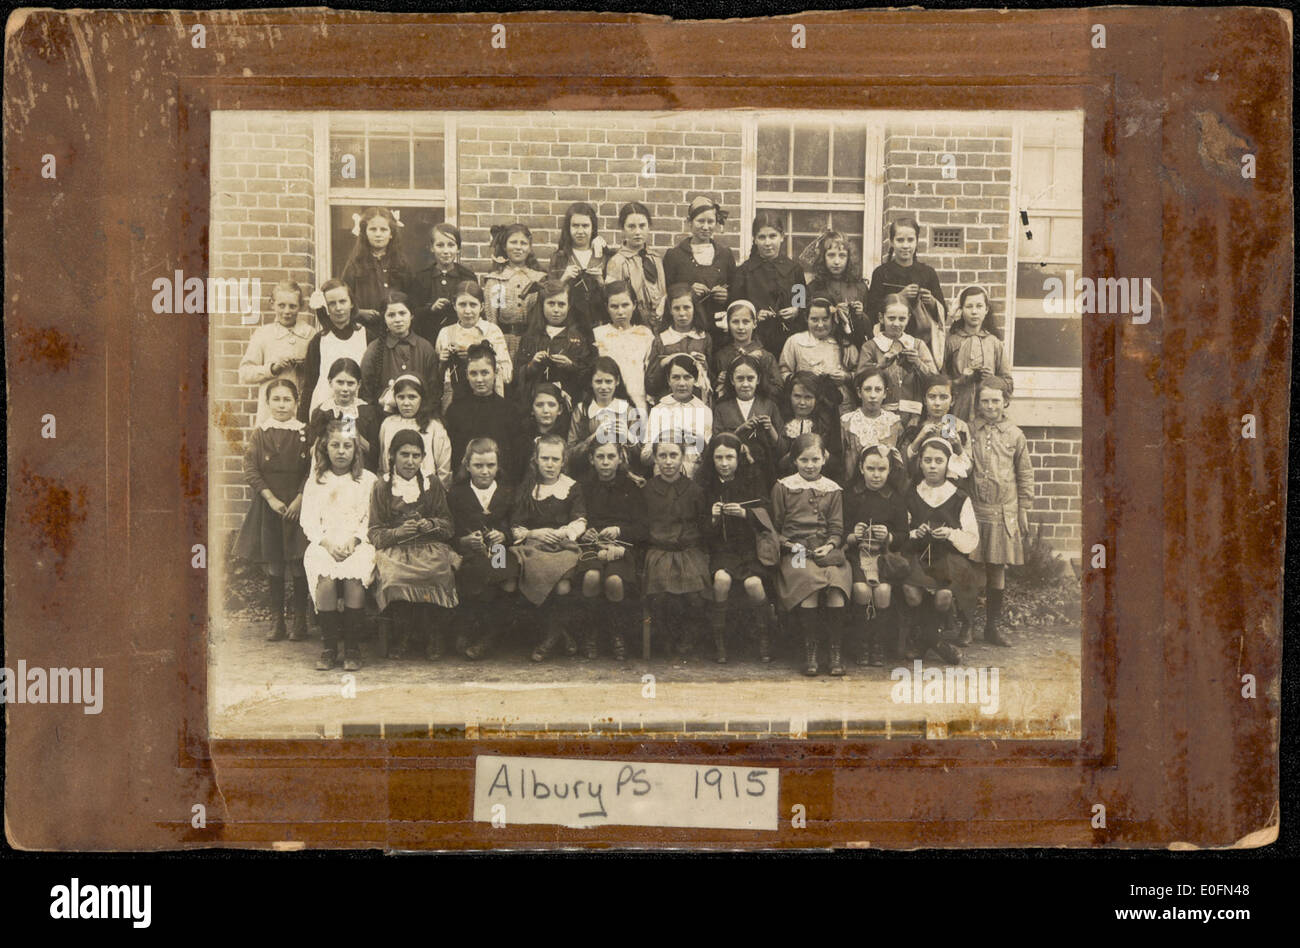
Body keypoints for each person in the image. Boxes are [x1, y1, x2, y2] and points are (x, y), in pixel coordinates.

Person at [368, 429, 459, 660]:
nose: (410, 461)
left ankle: (433, 635)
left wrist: (431, 524)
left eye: (416, 455)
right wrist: (397, 533)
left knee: (438, 573)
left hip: (429, 546)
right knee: (396, 577)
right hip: (395, 549)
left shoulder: (432, 484)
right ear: (392, 456)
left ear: (423, 457)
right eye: (404, 455)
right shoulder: (382, 486)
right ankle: (403, 635)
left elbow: (448, 525)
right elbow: (375, 532)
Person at [233, 378, 311, 642]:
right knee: (275, 564)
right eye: (276, 399)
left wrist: (301, 498)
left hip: (299, 506)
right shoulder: (261, 433)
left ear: (296, 403)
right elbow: (251, 470)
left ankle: (300, 620)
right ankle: (278, 620)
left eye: (287, 399)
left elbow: (314, 469)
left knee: (299, 562)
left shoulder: (304, 432)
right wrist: (270, 498)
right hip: (271, 506)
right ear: (267, 403)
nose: (281, 405)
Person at [300, 418, 378, 672]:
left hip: (358, 541)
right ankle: (329, 647)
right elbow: (308, 520)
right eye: (335, 445)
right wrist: (327, 543)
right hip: (324, 541)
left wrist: (354, 541)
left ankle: (352, 648)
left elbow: (370, 518)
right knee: (325, 576)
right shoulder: (317, 480)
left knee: (354, 578)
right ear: (325, 447)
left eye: (347, 446)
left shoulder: (367, 480)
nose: (341, 451)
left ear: (356, 449)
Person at [771, 432, 852, 676]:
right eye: (804, 460)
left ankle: (835, 652)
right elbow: (774, 528)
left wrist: (830, 544)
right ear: (794, 460)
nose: (810, 465)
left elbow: (837, 527)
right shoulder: (783, 486)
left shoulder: (833, 489)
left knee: (836, 584)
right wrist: (788, 544)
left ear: (824, 459)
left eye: (815, 460)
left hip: (826, 549)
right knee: (809, 581)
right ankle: (811, 652)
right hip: (794, 550)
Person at [900, 437, 982, 666]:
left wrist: (950, 534)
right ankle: (936, 642)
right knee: (911, 590)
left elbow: (972, 540)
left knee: (943, 595)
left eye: (939, 460)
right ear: (920, 464)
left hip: (949, 558)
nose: (933, 466)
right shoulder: (912, 494)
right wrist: (915, 532)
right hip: (918, 556)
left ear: (948, 463)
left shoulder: (959, 497)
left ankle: (921, 641)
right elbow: (900, 532)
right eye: (927, 460)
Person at [968, 377, 1034, 647]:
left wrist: (1024, 509)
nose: (990, 406)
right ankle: (967, 626)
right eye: (985, 400)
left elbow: (1024, 473)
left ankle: (992, 627)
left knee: (996, 569)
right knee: (971, 569)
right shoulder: (970, 430)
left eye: (996, 400)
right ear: (978, 403)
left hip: (1002, 509)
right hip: (974, 509)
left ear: (1005, 401)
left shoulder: (1015, 434)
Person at [509, 434, 588, 662]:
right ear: (536, 459)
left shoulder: (571, 487)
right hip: (534, 548)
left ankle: (552, 637)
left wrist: (562, 533)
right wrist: (535, 533)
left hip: (563, 547)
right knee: (536, 577)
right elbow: (516, 526)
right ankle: (558, 636)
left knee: (563, 587)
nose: (550, 464)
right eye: (545, 459)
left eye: (555, 459)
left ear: (563, 461)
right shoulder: (528, 488)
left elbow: (580, 520)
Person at [697, 433, 774, 663]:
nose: (724, 463)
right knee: (721, 579)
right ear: (711, 459)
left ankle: (764, 635)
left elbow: (767, 517)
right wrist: (711, 518)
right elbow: (700, 531)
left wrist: (745, 514)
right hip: (721, 550)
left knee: (754, 583)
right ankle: (719, 639)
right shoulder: (705, 487)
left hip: (750, 549)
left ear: (739, 458)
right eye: (718, 457)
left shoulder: (752, 481)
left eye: (729, 457)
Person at [447, 439, 517, 660]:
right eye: (478, 466)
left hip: (498, 550)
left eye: (490, 466)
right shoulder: (456, 493)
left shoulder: (507, 492)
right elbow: (451, 529)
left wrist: (504, 535)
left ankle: (490, 636)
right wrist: (464, 540)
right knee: (473, 575)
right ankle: (472, 631)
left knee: (502, 575)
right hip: (470, 551)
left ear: (498, 466)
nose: (485, 472)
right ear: (467, 466)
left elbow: (515, 522)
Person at [641, 438, 711, 655]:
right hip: (659, 551)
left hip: (689, 551)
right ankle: (666, 637)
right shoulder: (647, 490)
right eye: (662, 456)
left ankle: (689, 636)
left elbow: (703, 524)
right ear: (655, 458)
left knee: (695, 596)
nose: (668, 462)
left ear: (682, 458)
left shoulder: (694, 490)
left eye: (674, 455)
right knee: (661, 594)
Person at [577, 440, 646, 660]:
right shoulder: (583, 486)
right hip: (591, 545)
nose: (605, 462)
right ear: (591, 459)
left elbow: (642, 527)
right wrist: (583, 531)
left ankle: (617, 634)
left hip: (622, 546)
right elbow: (575, 516)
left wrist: (619, 530)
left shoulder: (632, 487)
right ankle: (591, 633)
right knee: (591, 577)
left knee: (614, 580)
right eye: (600, 457)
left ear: (620, 459)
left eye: (610, 457)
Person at [843, 443, 909, 666]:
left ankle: (878, 644)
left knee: (882, 590)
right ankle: (861, 643)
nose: (876, 475)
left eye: (882, 469)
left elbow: (904, 534)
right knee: (861, 590)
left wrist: (888, 536)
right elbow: (839, 530)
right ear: (861, 468)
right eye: (871, 469)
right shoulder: (851, 495)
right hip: (856, 556)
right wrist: (854, 535)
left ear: (889, 470)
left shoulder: (895, 497)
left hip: (884, 558)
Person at [865, 216, 947, 364]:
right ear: (891, 242)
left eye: (910, 240)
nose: (905, 245)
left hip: (921, 342)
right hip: (888, 342)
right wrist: (899, 297)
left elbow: (943, 314)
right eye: (900, 240)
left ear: (917, 241)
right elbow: (870, 311)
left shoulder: (927, 273)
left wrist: (932, 302)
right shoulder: (882, 273)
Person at [238, 280, 315, 428]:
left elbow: (319, 372)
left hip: (301, 410)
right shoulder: (263, 334)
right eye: (281, 305)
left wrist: (305, 366)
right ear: (272, 304)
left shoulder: (310, 334)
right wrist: (272, 368)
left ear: (301, 307)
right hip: (270, 414)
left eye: (293, 306)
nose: (287, 311)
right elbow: (245, 373)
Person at [856, 293, 938, 430]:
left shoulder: (917, 345)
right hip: (880, 415)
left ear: (909, 319)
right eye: (891, 318)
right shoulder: (871, 346)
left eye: (902, 319)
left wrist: (917, 362)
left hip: (914, 417)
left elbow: (935, 380)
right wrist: (880, 366)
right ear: (881, 318)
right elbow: (859, 381)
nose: (896, 324)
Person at [444, 342, 523, 486]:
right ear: (466, 375)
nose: (479, 379)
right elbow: (452, 455)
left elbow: (516, 457)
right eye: (473, 373)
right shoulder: (455, 410)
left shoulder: (509, 410)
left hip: (502, 486)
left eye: (485, 373)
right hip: (465, 486)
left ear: (495, 373)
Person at [662, 194, 737, 345]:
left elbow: (735, 288)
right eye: (700, 221)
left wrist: (726, 295)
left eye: (710, 221)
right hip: (687, 329)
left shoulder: (725, 254)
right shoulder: (674, 256)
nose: (706, 227)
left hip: (718, 330)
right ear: (689, 222)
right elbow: (667, 292)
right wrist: (688, 291)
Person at [731, 212, 805, 358]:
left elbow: (801, 303)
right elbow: (735, 306)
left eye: (773, 236)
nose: (767, 243)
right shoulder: (744, 272)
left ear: (782, 237)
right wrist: (755, 314)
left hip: (788, 339)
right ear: (755, 239)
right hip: (755, 340)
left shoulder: (794, 269)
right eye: (762, 237)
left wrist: (796, 310)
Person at [300, 279, 374, 420]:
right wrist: (303, 421)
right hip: (324, 410)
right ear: (326, 307)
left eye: (342, 301)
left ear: (351, 303)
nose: (338, 308)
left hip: (356, 410)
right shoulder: (319, 340)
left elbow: (371, 380)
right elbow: (309, 383)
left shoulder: (366, 336)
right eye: (332, 304)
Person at [513, 278, 595, 405]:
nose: (556, 310)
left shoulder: (578, 338)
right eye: (551, 304)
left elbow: (588, 375)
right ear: (542, 305)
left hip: (568, 403)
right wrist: (532, 365)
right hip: (535, 404)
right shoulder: (531, 337)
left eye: (561, 304)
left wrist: (571, 366)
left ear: (569, 307)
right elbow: (517, 374)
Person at [433, 280, 512, 407]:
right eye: (462, 305)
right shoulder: (445, 333)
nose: (467, 311)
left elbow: (508, 376)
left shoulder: (492, 331)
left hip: (487, 400)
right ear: (454, 306)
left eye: (473, 305)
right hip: (455, 400)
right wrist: (442, 362)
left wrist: (479, 357)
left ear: (481, 306)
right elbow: (437, 378)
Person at [712, 353, 785, 489]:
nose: (745, 384)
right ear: (732, 380)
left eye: (750, 378)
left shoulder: (769, 405)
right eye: (740, 379)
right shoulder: (722, 407)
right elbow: (715, 444)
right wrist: (740, 430)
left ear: (758, 380)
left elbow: (782, 449)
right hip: (731, 473)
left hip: (764, 473)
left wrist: (770, 429)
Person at [359, 290, 439, 411]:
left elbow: (433, 391)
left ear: (411, 315)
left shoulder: (425, 348)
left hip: (420, 416)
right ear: (384, 318)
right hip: (383, 418)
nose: (397, 319)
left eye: (402, 313)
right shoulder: (374, 349)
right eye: (391, 315)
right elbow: (366, 391)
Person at [944, 285, 1012, 425]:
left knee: (983, 443)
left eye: (979, 306)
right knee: (952, 441)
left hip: (987, 411)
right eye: (969, 306)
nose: (974, 311)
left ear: (986, 310)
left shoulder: (994, 343)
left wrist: (993, 380)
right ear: (961, 310)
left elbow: (1008, 383)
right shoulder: (951, 341)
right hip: (956, 410)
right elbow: (940, 382)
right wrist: (961, 380)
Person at [568, 357, 644, 480]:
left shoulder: (627, 410)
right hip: (588, 475)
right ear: (591, 382)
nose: (603, 387)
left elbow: (642, 455)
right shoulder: (582, 410)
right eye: (598, 381)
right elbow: (570, 453)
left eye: (608, 381)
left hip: (624, 475)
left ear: (617, 381)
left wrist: (629, 437)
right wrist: (592, 438)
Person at [592, 280, 656, 421]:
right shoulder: (598, 334)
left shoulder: (645, 334)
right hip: (607, 400)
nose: (620, 311)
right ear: (606, 307)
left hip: (638, 401)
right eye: (614, 306)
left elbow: (649, 370)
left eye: (625, 305)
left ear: (634, 305)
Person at [341, 206, 411, 336]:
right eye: (373, 229)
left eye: (383, 229)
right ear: (365, 233)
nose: (378, 234)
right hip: (365, 330)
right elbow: (344, 297)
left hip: (394, 331)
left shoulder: (401, 264)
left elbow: (411, 299)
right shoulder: (355, 264)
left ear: (391, 234)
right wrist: (358, 312)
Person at [640, 354, 713, 479]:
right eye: (676, 377)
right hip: (663, 478)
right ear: (668, 380)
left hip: (694, 479)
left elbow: (709, 455)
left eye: (687, 377)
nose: (682, 383)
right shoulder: (658, 410)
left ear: (695, 380)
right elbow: (645, 457)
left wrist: (700, 442)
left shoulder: (704, 411)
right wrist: (663, 443)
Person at [481, 222, 547, 360]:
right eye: (513, 242)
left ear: (529, 248)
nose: (518, 247)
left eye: (523, 243)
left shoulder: (540, 278)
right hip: (503, 343)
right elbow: (491, 319)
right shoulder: (495, 279)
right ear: (505, 247)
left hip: (531, 344)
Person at [377, 375, 453, 489]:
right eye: (401, 397)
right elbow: (383, 460)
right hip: (394, 489)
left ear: (421, 398)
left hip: (426, 490)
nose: (406, 403)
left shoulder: (434, 426)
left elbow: (444, 466)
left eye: (412, 397)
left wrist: (439, 492)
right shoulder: (388, 424)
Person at [779, 296, 858, 407]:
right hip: (806, 403)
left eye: (825, 319)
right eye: (814, 319)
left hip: (840, 404)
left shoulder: (844, 344)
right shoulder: (795, 342)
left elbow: (860, 373)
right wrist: (804, 380)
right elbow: (783, 373)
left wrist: (846, 377)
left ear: (833, 319)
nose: (820, 325)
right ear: (807, 319)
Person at [307, 357, 381, 473]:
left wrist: (355, 435)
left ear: (359, 384)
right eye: (340, 382)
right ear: (330, 382)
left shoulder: (367, 411)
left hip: (361, 472)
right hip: (328, 473)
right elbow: (312, 451)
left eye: (350, 383)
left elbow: (375, 453)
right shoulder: (321, 411)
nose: (345, 389)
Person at [409, 222, 478, 343]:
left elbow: (475, 308)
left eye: (451, 245)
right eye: (440, 245)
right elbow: (413, 312)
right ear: (431, 247)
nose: (446, 251)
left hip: (460, 338)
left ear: (458, 248)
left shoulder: (467, 276)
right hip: (428, 338)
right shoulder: (422, 278)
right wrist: (430, 308)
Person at [645, 282, 713, 405]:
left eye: (686, 307)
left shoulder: (703, 338)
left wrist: (705, 365)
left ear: (694, 308)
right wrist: (662, 364)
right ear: (670, 310)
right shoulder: (662, 340)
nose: (682, 313)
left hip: (697, 401)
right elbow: (651, 384)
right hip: (668, 402)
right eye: (676, 308)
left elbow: (712, 378)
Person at [802, 229, 872, 346]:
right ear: (823, 258)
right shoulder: (813, 288)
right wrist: (831, 311)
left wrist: (861, 315)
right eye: (831, 255)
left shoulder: (860, 287)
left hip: (854, 346)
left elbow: (870, 327)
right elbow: (805, 322)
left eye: (842, 256)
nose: (836, 261)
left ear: (849, 258)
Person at [603, 201, 666, 330]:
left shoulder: (655, 258)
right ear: (622, 229)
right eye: (631, 226)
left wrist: (661, 306)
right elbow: (615, 301)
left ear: (649, 227)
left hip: (659, 324)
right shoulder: (617, 262)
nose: (638, 232)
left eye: (642, 226)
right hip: (632, 325)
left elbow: (663, 290)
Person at [901, 373, 971, 488]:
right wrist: (918, 439)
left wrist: (958, 448)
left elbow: (968, 471)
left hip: (951, 489)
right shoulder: (915, 425)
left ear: (952, 401)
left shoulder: (960, 427)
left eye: (943, 397)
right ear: (925, 400)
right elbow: (905, 465)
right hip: (919, 487)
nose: (937, 403)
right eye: (932, 397)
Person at [548, 201, 610, 331]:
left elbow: (614, 297)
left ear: (593, 228)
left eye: (585, 226)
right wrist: (564, 278)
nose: (580, 231)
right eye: (575, 226)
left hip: (599, 323)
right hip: (568, 326)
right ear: (568, 228)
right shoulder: (560, 257)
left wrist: (600, 281)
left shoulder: (603, 256)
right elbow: (547, 295)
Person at [840, 367, 904, 487]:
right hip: (853, 489)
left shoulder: (894, 423)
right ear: (859, 392)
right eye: (868, 389)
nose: (873, 395)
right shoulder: (847, 422)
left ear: (885, 393)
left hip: (887, 489)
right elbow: (841, 458)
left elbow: (899, 462)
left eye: (878, 390)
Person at [777, 371, 843, 482]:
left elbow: (837, 464)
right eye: (797, 396)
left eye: (808, 397)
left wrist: (820, 453)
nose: (802, 402)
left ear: (816, 399)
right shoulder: (780, 420)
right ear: (790, 396)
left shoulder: (826, 425)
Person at [712, 299, 783, 402]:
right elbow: (712, 388)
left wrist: (760, 379)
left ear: (754, 323)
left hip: (760, 408)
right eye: (735, 322)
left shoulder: (766, 356)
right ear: (728, 324)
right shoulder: (721, 356)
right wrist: (719, 381)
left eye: (746, 322)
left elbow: (778, 390)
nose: (741, 327)